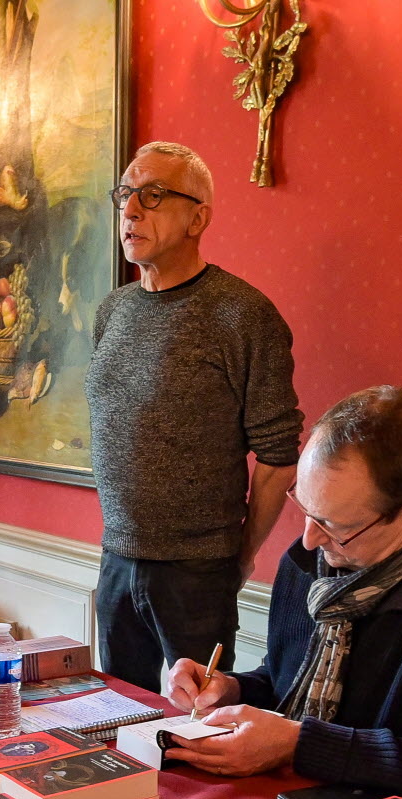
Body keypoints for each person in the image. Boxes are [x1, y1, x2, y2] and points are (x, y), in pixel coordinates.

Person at [165, 386, 402, 799]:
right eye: (305, 508)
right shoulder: (308, 563)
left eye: (334, 526)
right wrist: (231, 688)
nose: (308, 540)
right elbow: (286, 680)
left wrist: (300, 744)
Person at [86, 140, 302, 693]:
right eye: (125, 195)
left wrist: (241, 555)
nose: (130, 210)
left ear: (198, 218)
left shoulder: (243, 316)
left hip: (200, 571)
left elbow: (279, 458)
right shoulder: (112, 311)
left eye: (153, 196)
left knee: (201, 727)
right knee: (113, 719)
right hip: (116, 558)